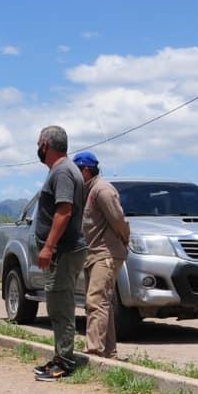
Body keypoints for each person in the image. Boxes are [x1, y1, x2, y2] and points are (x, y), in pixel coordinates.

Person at [33, 126, 88, 381]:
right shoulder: (62, 170)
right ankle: (59, 357)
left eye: (39, 144)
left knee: (61, 307)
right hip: (62, 251)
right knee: (56, 305)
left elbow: (64, 211)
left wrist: (48, 246)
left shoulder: (63, 171)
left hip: (64, 251)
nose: (38, 148)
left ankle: (65, 362)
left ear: (46, 145)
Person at [74, 151, 130, 359]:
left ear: (86, 170)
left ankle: (94, 351)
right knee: (102, 302)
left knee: (96, 301)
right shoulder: (87, 191)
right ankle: (109, 352)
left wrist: (125, 239)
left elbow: (119, 220)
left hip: (106, 253)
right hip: (93, 254)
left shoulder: (103, 190)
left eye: (77, 171)